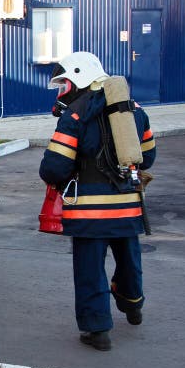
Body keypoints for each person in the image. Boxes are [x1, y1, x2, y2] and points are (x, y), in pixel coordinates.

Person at [39, 52, 157, 351]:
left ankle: (98, 331)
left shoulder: (76, 114)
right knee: (130, 261)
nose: (61, 91)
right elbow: (149, 156)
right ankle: (133, 305)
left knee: (90, 270)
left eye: (63, 84)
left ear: (79, 76)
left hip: (89, 213)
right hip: (128, 207)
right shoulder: (132, 109)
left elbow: (54, 168)